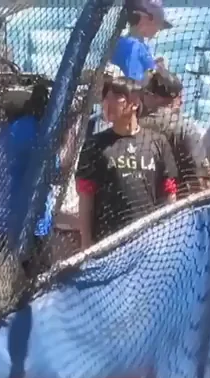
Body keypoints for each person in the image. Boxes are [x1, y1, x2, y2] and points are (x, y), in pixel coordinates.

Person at [76, 77, 178, 249]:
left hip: (147, 240)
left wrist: (167, 237)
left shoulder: (156, 141)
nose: (108, 103)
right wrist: (86, 243)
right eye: (106, 97)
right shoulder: (94, 145)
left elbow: (169, 191)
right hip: (107, 242)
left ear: (135, 102)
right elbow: (86, 196)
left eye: (117, 97)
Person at [141, 69, 210, 196]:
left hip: (143, 204)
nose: (182, 102)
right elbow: (201, 180)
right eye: (180, 97)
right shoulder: (185, 127)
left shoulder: (135, 126)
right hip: (177, 205)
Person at [111, 0, 173, 82]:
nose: (160, 29)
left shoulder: (129, 43)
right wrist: (158, 73)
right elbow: (134, 85)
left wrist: (153, 65)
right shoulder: (133, 47)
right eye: (158, 24)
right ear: (145, 19)